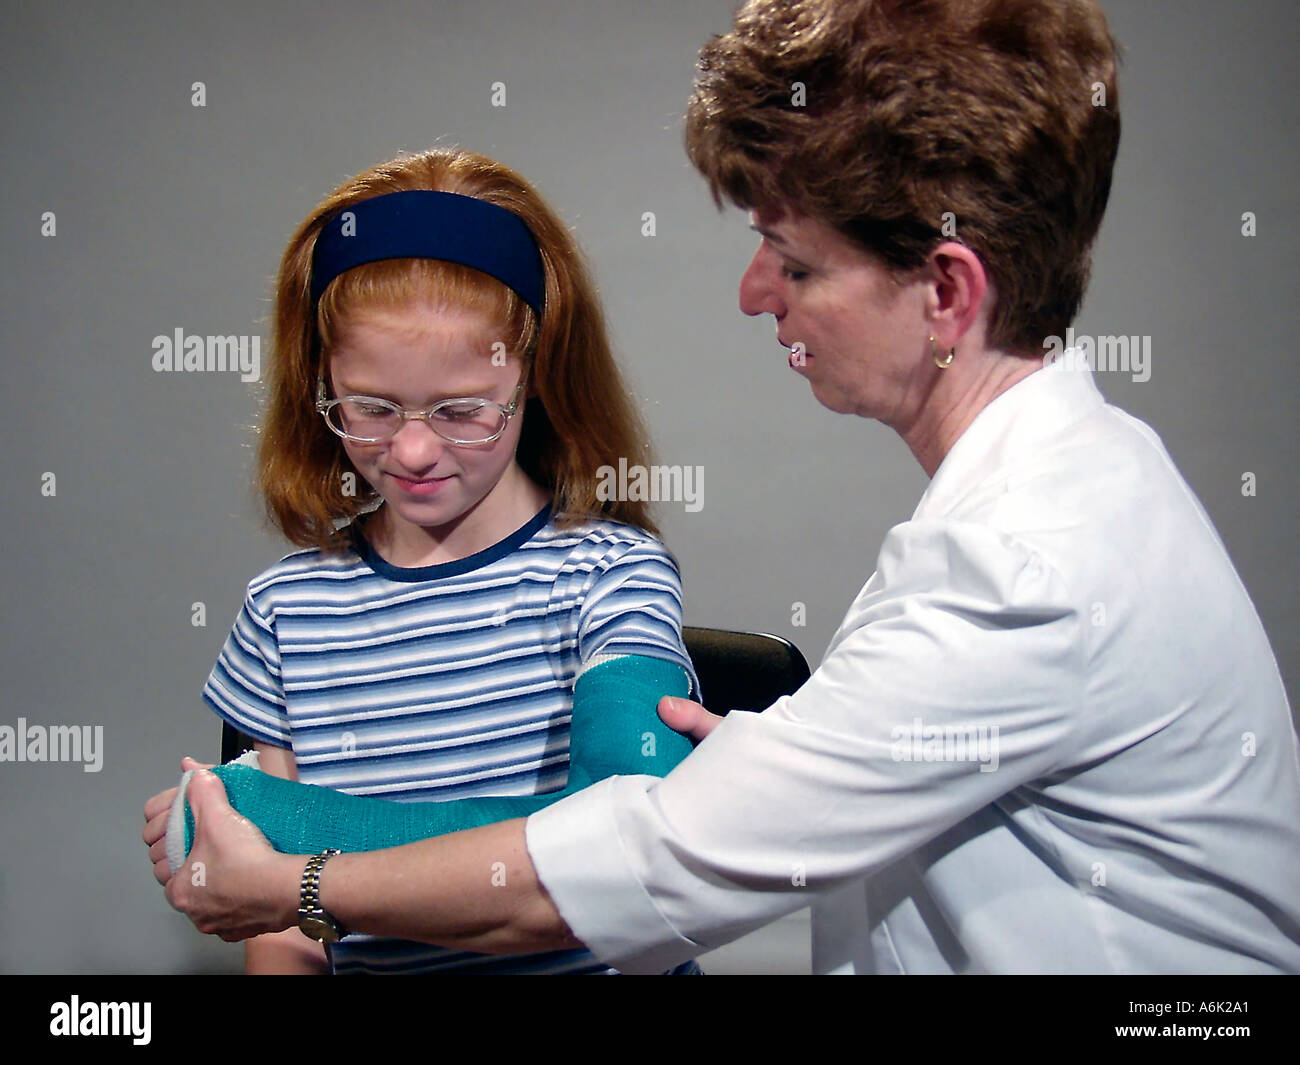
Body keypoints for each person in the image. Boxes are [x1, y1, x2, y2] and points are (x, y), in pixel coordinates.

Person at [145, 0, 1300, 974]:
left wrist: (291, 850)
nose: (755, 294)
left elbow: (638, 863)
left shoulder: (1021, 569)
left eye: (794, 259)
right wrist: (762, 767)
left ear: (946, 293)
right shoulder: (1057, 502)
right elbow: (728, 803)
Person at [162, 144, 703, 975]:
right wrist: (268, 872)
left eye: (462, 410)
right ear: (321, 383)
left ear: (535, 377)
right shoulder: (285, 611)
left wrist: (279, 825)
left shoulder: (610, 575)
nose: (412, 450)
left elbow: (627, 843)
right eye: (370, 407)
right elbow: (281, 932)